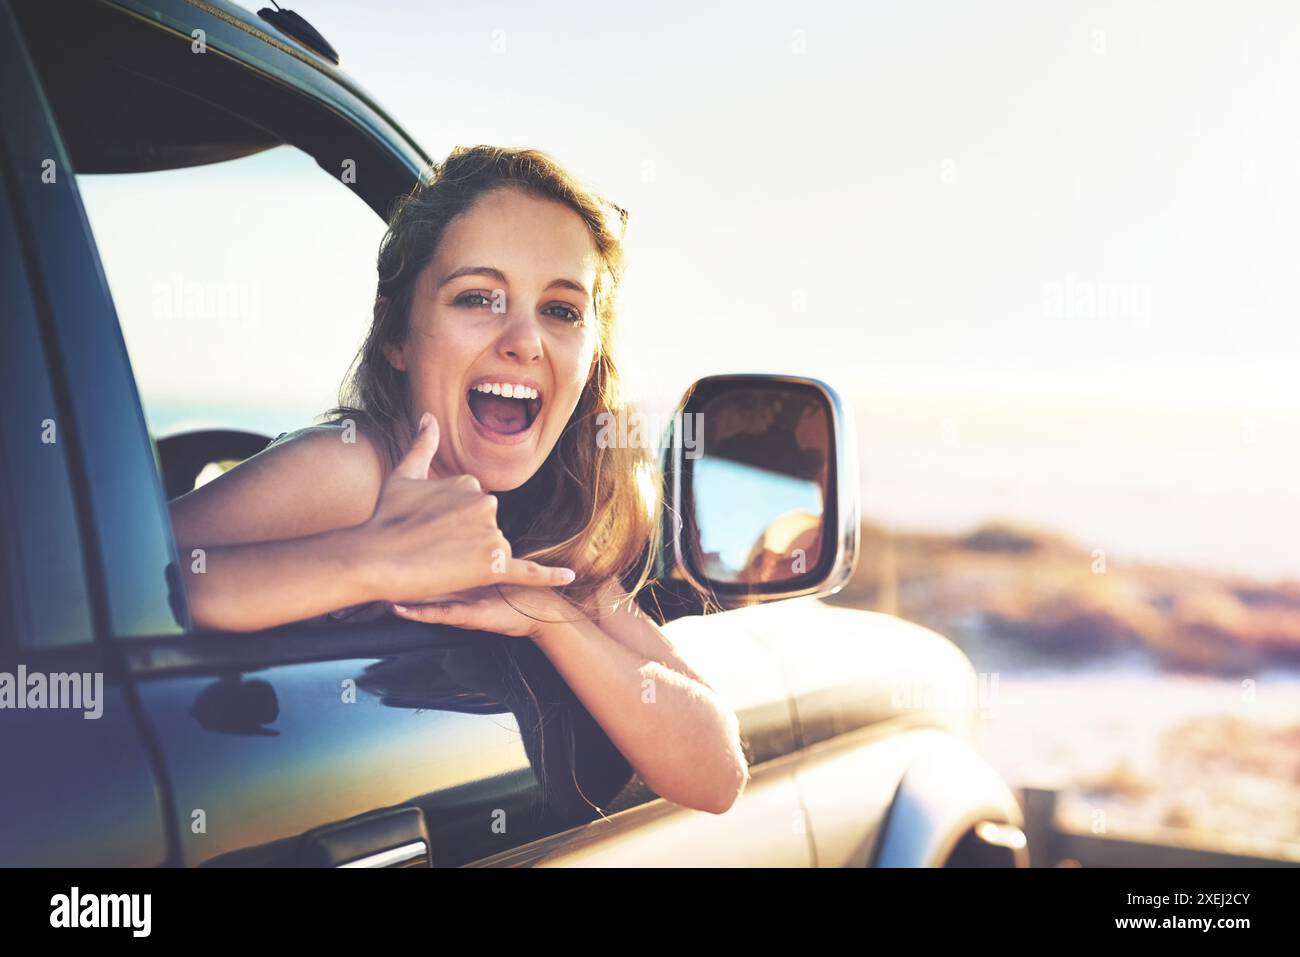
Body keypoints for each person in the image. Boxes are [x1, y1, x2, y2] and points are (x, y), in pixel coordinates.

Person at [166, 146, 748, 815]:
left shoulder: (548, 524)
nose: (525, 339)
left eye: (561, 309)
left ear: (591, 358)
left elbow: (716, 771)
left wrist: (547, 618)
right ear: (398, 337)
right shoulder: (357, 467)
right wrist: (371, 560)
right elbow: (119, 585)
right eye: (478, 297)